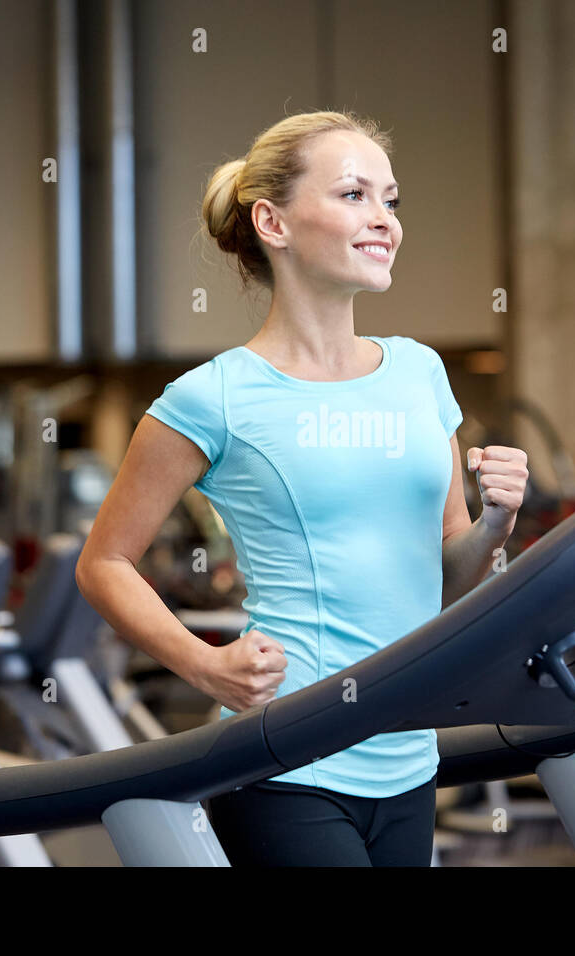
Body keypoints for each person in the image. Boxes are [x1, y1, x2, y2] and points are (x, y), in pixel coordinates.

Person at [76, 110, 528, 866]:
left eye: (391, 199)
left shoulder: (420, 373)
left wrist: (494, 525)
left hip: (409, 760)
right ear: (272, 222)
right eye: (354, 195)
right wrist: (203, 662)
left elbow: (446, 573)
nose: (384, 219)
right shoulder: (212, 397)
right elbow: (103, 563)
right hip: (286, 763)